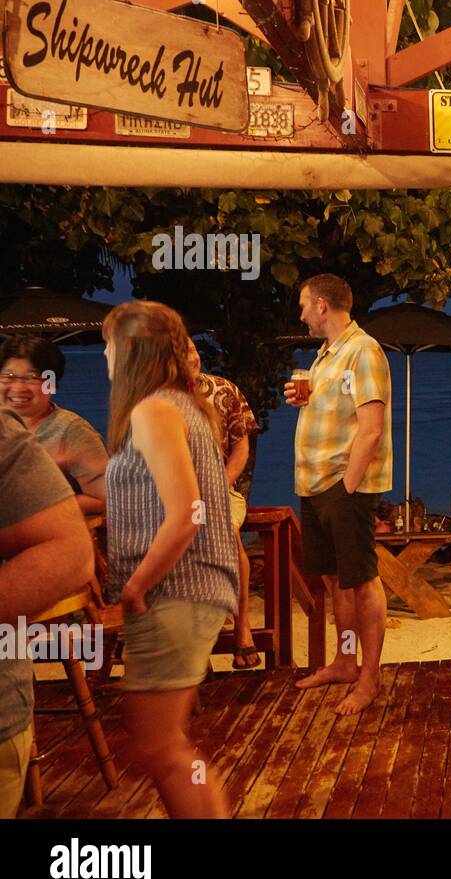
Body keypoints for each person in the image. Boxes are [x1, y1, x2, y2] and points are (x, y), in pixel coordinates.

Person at [101, 301, 240, 818]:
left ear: (134, 352)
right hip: (192, 591)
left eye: (110, 347)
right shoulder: (183, 406)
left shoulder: (154, 410)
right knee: (171, 746)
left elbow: (187, 514)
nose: (106, 359)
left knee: (159, 748)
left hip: (174, 591)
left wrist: (135, 587)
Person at [284, 274, 393, 716]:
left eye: (304, 305)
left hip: (343, 486)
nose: (301, 313)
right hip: (314, 484)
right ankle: (345, 661)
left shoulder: (363, 352)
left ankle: (370, 677)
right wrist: (301, 399)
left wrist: (347, 488)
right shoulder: (326, 355)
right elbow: (336, 414)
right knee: (333, 579)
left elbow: (371, 428)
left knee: (363, 580)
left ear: (323, 306)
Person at [0, 411, 95, 818]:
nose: (16, 384)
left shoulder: (73, 427)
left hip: (63, 606)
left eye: (26, 375)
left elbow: (107, 495)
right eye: (9, 375)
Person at [186, 338, 260, 670]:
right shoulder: (154, 399)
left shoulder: (223, 390)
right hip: (174, 493)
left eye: (192, 350)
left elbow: (242, 447)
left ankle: (241, 625)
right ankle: (194, 639)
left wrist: (219, 484)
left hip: (220, 489)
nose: (192, 357)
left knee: (227, 536)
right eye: (181, 352)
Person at [0, 335, 107, 513]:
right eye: (8, 376)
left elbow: (103, 500)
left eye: (32, 377)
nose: (18, 387)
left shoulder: (72, 430)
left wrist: (38, 507)